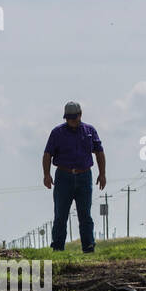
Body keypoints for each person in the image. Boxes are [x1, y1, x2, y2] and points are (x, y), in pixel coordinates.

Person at [42, 101, 105, 253]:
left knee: (85, 215)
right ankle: (57, 247)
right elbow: (47, 154)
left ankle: (88, 247)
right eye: (68, 118)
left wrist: (102, 174)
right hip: (63, 176)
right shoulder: (57, 132)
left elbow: (99, 152)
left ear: (80, 115)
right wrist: (46, 174)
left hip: (84, 176)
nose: (71, 121)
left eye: (73, 117)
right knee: (60, 215)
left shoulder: (89, 131)